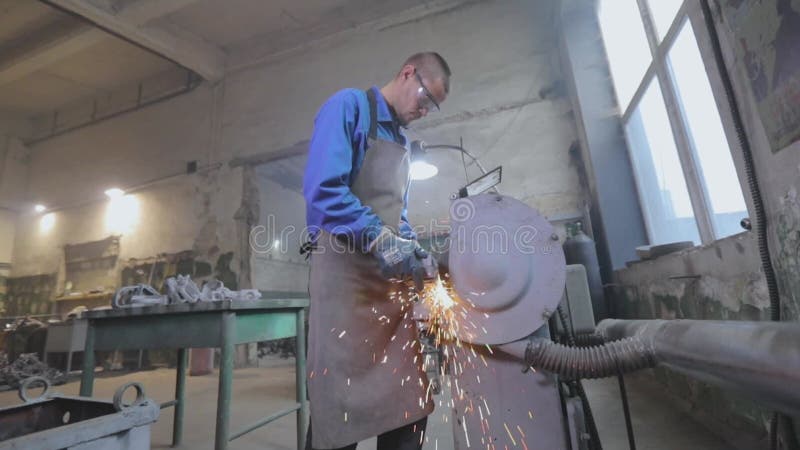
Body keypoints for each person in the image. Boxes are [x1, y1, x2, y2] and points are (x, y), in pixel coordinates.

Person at [302, 52, 451, 450]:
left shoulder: (401, 142)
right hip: (344, 286)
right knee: (339, 413)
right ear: (407, 73)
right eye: (425, 98)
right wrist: (379, 239)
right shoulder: (348, 107)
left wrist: (412, 249)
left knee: (411, 404)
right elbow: (324, 190)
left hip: (386, 290)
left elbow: (396, 215)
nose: (424, 111)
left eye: (432, 107)